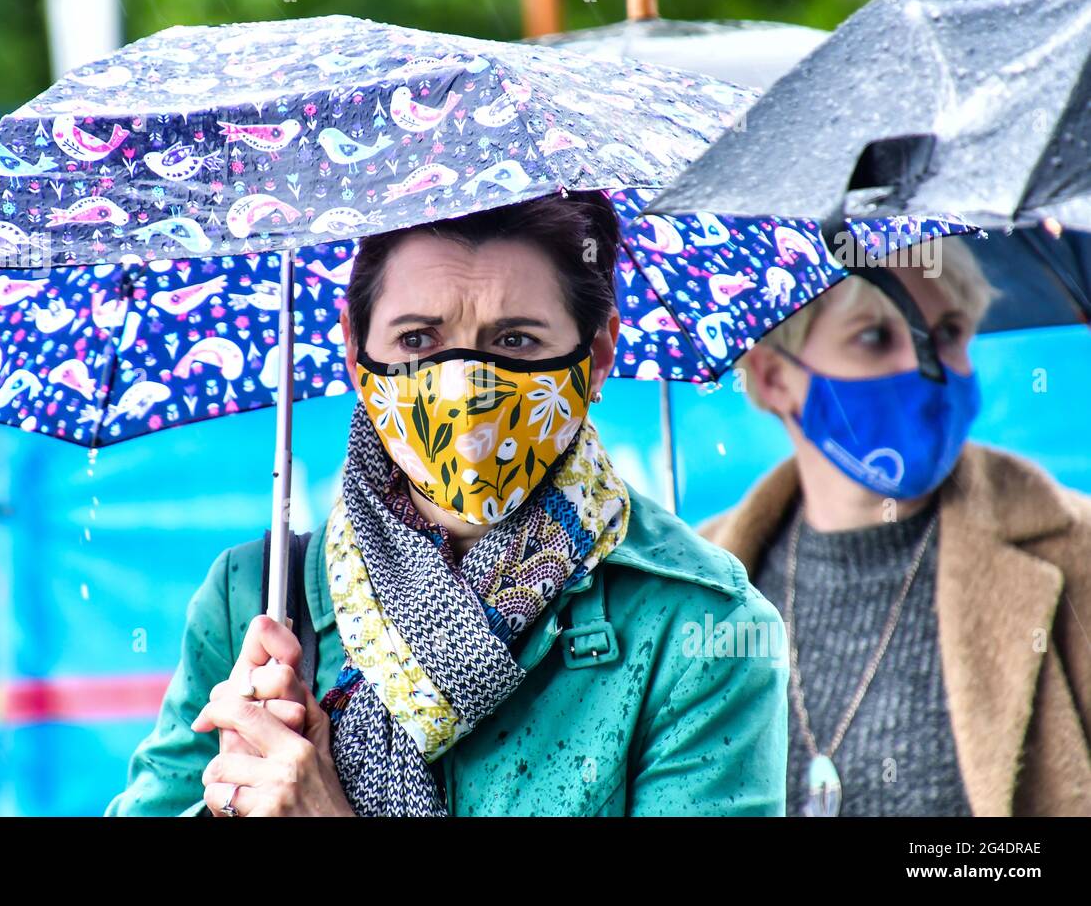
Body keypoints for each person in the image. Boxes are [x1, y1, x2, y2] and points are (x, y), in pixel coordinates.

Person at [105, 190, 787, 817]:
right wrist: (228, 801)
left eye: (515, 341)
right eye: (417, 341)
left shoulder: (697, 626)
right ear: (353, 349)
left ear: (599, 352)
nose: (463, 389)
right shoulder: (255, 597)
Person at [699, 234, 1091, 816]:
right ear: (774, 376)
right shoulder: (692, 581)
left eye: (950, 333)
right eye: (877, 337)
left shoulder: (1075, 550)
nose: (926, 368)